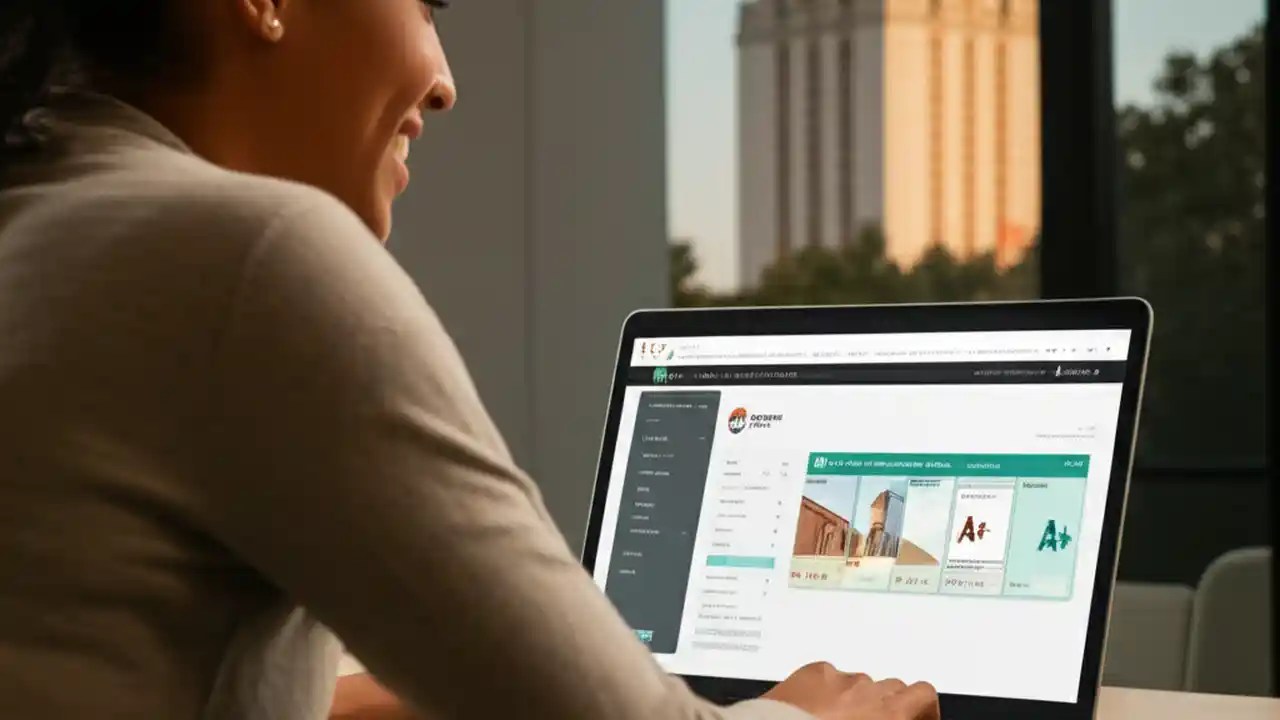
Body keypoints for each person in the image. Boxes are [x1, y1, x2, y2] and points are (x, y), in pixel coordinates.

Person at [0, 2, 941, 719]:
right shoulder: (249, 254)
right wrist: (813, 716)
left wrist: (384, 692)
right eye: (425, 5)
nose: (445, 83)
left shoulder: (41, 219)